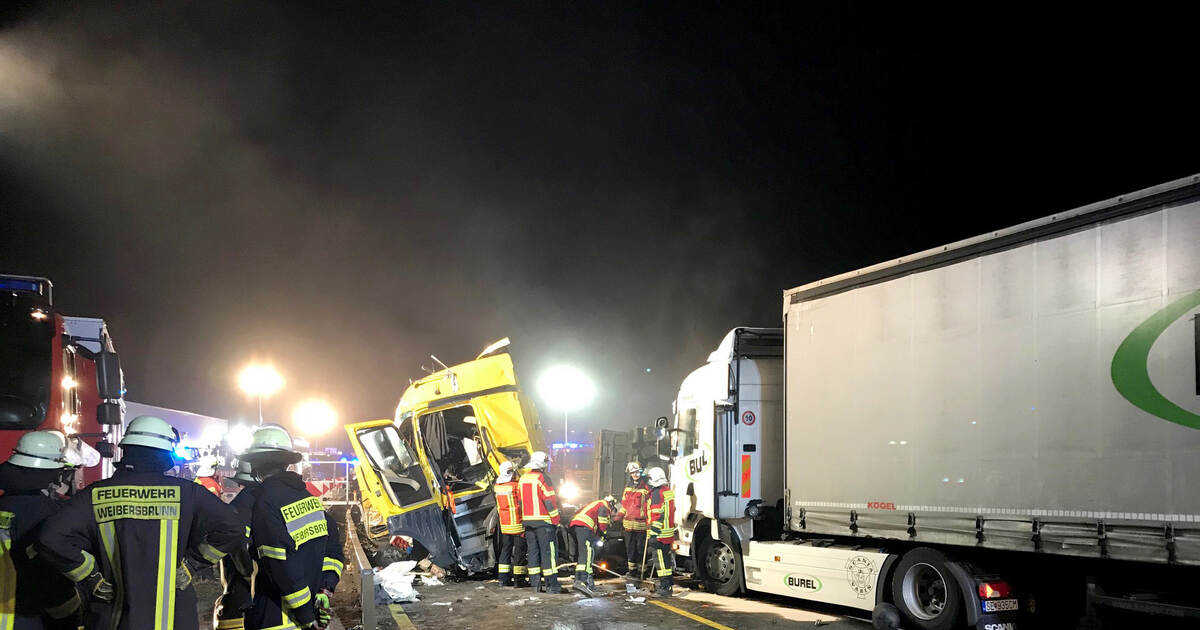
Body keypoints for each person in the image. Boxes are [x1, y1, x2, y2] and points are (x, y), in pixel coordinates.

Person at [37, 415, 244, 630]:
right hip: (175, 619)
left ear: (126, 450)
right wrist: (192, 564)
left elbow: (51, 538)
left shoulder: (95, 495)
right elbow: (233, 528)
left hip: (114, 618)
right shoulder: (189, 493)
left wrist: (91, 576)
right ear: (165, 454)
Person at [240, 426, 345, 630]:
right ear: (287, 462)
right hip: (313, 611)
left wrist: (305, 615)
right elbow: (333, 550)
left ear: (254, 465)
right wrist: (325, 589)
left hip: (276, 618)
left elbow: (279, 564)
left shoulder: (264, 503)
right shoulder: (310, 500)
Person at [0, 431, 81, 629]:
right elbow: (48, 574)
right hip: (22, 617)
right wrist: (71, 614)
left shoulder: (4, 504)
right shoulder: (46, 513)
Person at [213, 461, 259, 630]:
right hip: (255, 597)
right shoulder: (264, 507)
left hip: (235, 598)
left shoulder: (233, 510)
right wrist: (251, 577)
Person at [517, 451, 562, 594]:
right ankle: (552, 585)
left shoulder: (523, 479)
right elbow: (549, 501)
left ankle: (535, 585)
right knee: (548, 553)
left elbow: (519, 502)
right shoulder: (543, 478)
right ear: (543, 463)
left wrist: (522, 520)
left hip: (528, 523)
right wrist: (556, 521)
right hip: (544, 523)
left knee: (533, 553)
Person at [568, 495, 617, 597]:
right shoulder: (604, 505)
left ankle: (588, 583)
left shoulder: (595, 504)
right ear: (611, 504)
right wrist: (604, 535)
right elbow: (603, 523)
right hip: (584, 527)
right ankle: (581, 581)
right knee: (586, 553)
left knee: (587, 553)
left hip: (578, 526)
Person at [491, 460, 527, 587]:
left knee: (505, 551)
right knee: (519, 552)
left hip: (505, 525)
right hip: (518, 524)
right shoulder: (516, 486)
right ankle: (519, 580)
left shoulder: (498, 486)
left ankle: (503, 579)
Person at [644, 467, 676, 597]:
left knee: (661, 562)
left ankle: (665, 587)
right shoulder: (667, 492)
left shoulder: (657, 493)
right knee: (666, 562)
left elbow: (657, 514)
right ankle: (667, 585)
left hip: (660, 534)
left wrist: (654, 533)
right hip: (667, 533)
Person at [616, 461, 649, 578]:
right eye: (633, 473)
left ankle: (642, 573)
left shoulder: (646, 486)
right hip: (628, 525)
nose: (635, 474)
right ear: (630, 474)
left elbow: (648, 506)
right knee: (630, 550)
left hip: (641, 525)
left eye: (637, 472)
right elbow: (624, 505)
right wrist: (619, 515)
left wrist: (649, 521)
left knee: (641, 550)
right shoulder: (628, 487)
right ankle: (632, 572)